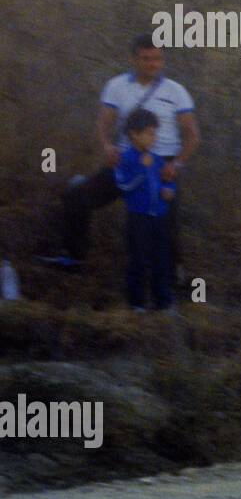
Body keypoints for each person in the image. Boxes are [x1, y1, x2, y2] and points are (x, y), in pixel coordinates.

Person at [40, 34, 200, 271]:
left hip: (162, 165)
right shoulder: (116, 86)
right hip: (128, 160)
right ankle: (73, 258)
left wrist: (176, 165)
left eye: (157, 58)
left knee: (165, 223)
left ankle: (174, 279)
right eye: (146, 58)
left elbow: (192, 135)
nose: (153, 64)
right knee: (78, 196)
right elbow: (103, 124)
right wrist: (107, 146)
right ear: (134, 59)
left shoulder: (176, 91)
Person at [115, 109, 176, 310]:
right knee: (138, 260)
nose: (154, 138)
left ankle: (164, 303)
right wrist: (141, 170)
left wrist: (168, 190)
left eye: (155, 133)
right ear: (134, 134)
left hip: (159, 216)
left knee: (162, 259)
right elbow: (123, 186)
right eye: (150, 133)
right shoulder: (125, 159)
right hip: (138, 218)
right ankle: (137, 305)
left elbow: (168, 180)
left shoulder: (158, 160)